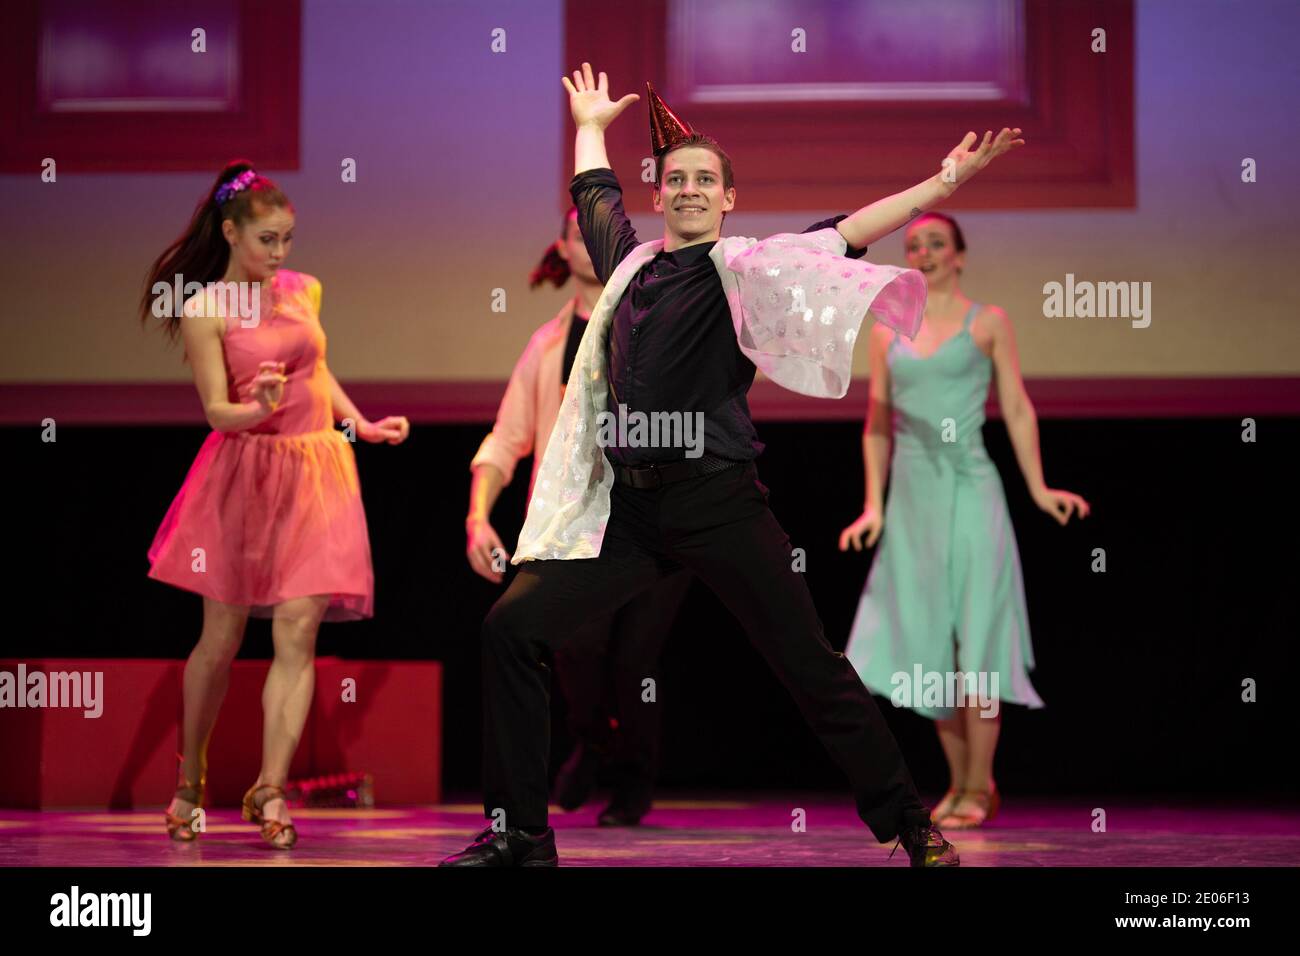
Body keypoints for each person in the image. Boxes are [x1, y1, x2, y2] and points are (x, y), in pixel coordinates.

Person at [441, 63, 1023, 868]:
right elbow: (594, 194)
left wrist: (943, 181)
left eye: (703, 180)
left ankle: (908, 823)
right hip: (630, 514)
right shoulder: (628, 269)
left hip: (718, 505)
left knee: (810, 665)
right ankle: (519, 836)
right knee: (511, 627)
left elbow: (852, 228)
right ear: (663, 194)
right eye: (675, 179)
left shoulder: (748, 268)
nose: (686, 189)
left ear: (726, 199)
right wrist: (587, 123)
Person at [141, 161, 410, 848]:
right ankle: (189, 781)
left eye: (286, 238)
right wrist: (253, 404)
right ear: (231, 233)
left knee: (298, 631)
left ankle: (270, 788)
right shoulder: (204, 309)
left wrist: (363, 424)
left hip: (318, 470)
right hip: (244, 475)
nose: (279, 253)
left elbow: (317, 370)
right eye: (266, 239)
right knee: (222, 638)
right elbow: (215, 413)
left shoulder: (304, 290)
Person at [839, 211, 1090, 830]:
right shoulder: (886, 330)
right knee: (930, 645)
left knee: (977, 638)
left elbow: (1017, 407)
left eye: (936, 243)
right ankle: (960, 784)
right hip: (914, 500)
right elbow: (877, 424)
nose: (922, 251)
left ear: (959, 255)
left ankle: (980, 785)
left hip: (972, 489)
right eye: (914, 243)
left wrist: (1038, 487)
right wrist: (874, 503)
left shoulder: (989, 322)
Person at [466, 209, 691, 824]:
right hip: (578, 527)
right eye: (577, 234)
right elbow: (506, 438)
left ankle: (633, 780)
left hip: (655, 518)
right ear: (564, 250)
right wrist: (477, 516)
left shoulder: (653, 323)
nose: (589, 246)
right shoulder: (547, 344)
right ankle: (595, 744)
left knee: (633, 661)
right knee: (573, 652)